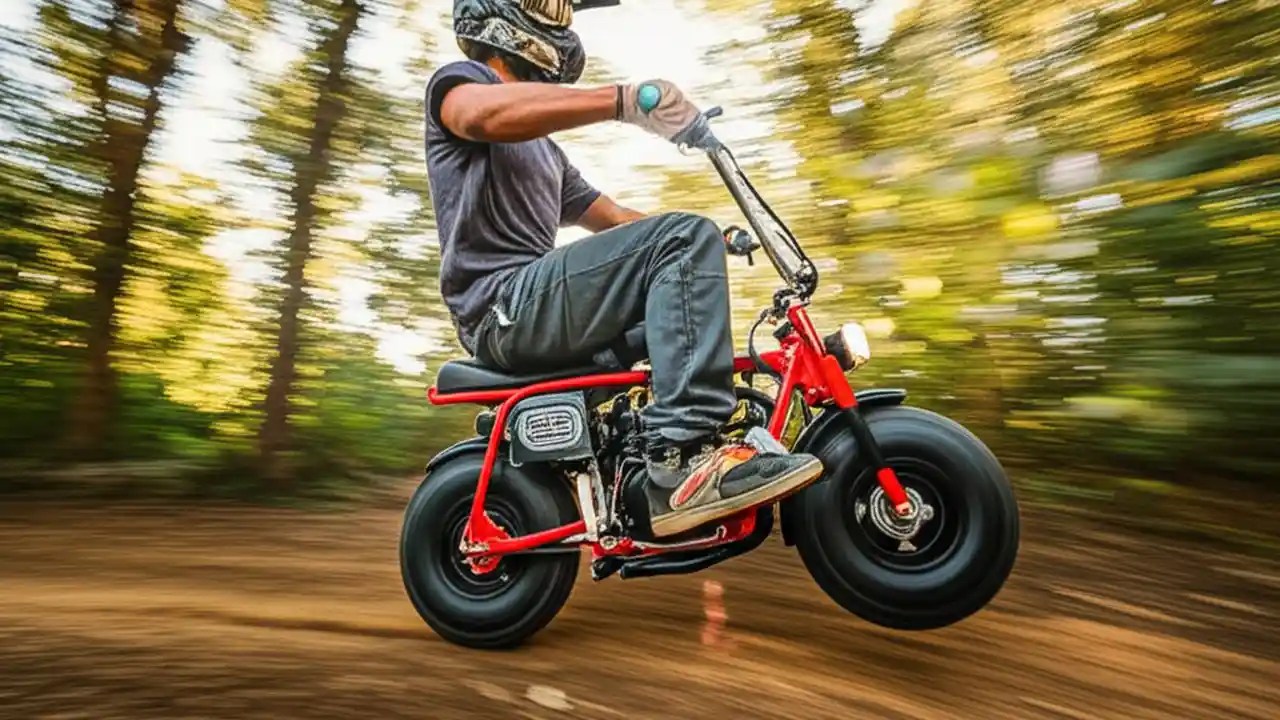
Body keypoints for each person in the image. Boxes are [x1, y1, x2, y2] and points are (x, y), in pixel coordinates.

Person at [426, 0, 822, 538]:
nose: (561, 19)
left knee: (677, 287)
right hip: (502, 307)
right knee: (682, 239)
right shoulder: (461, 84)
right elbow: (480, 115)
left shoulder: (545, 153)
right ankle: (679, 462)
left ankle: (633, 466)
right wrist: (624, 101)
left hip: (532, 308)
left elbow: (615, 220)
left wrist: (715, 240)